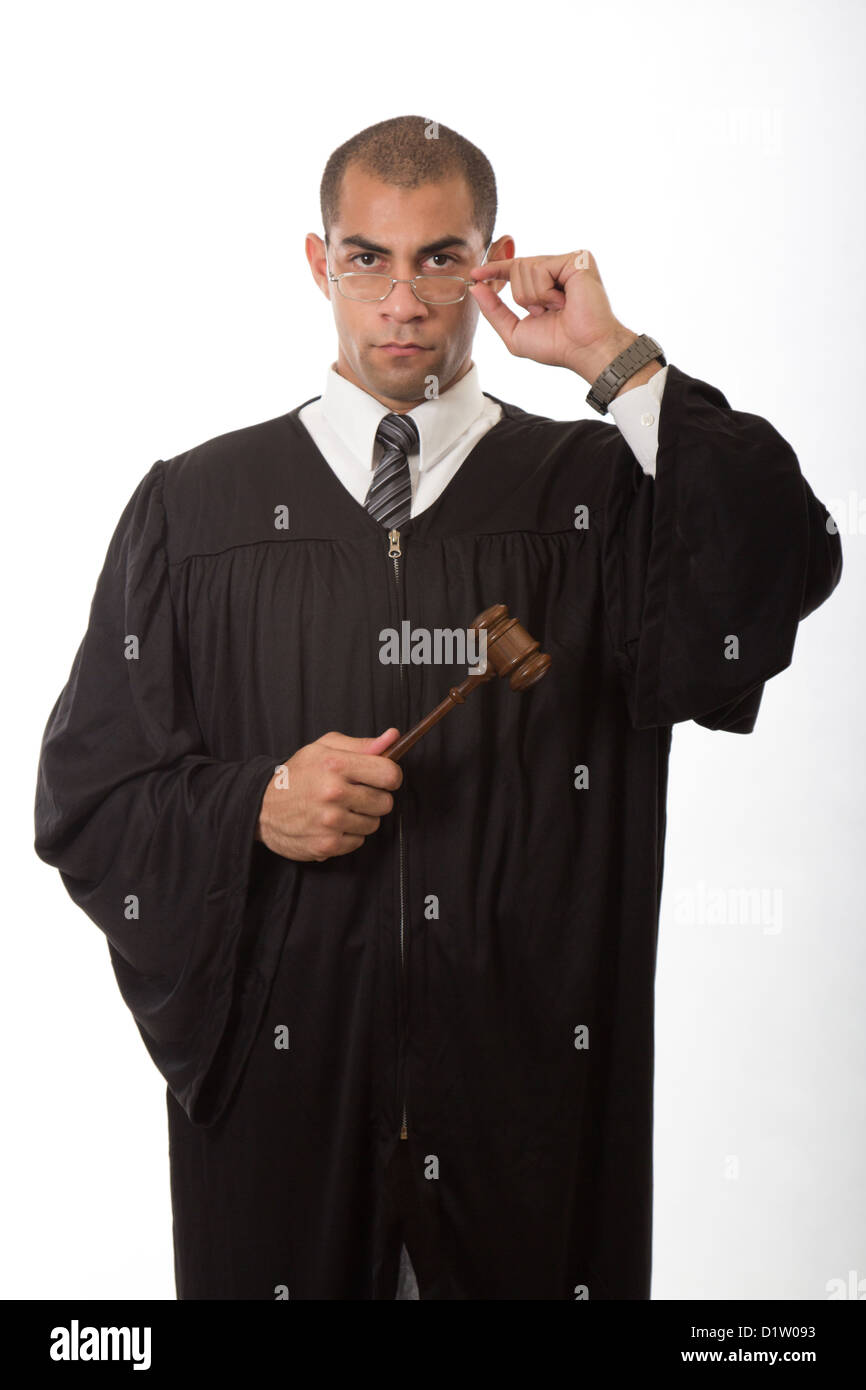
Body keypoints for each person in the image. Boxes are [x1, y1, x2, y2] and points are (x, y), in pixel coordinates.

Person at [33, 114, 843, 1300]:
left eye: (440, 258)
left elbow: (781, 554)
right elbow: (89, 802)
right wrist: (253, 805)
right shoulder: (195, 513)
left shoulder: (598, 498)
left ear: (491, 259)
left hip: (529, 1123)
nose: (401, 300)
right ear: (320, 264)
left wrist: (614, 360)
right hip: (293, 1121)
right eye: (367, 258)